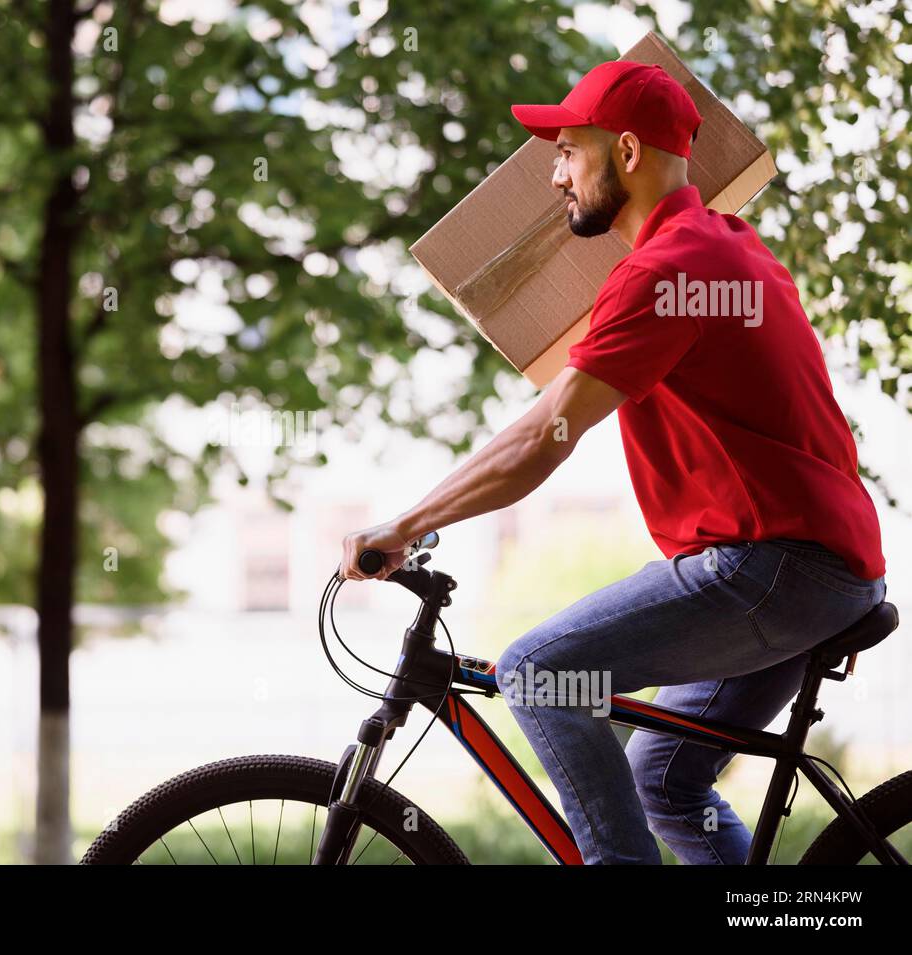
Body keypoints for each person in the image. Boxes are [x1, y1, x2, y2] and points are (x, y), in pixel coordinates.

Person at [338, 59, 887, 864]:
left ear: (625, 153)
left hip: (774, 568)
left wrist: (406, 524)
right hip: (817, 569)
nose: (556, 175)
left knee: (535, 671)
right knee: (663, 779)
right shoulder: (723, 245)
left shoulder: (666, 272)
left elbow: (543, 437)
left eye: (567, 152)